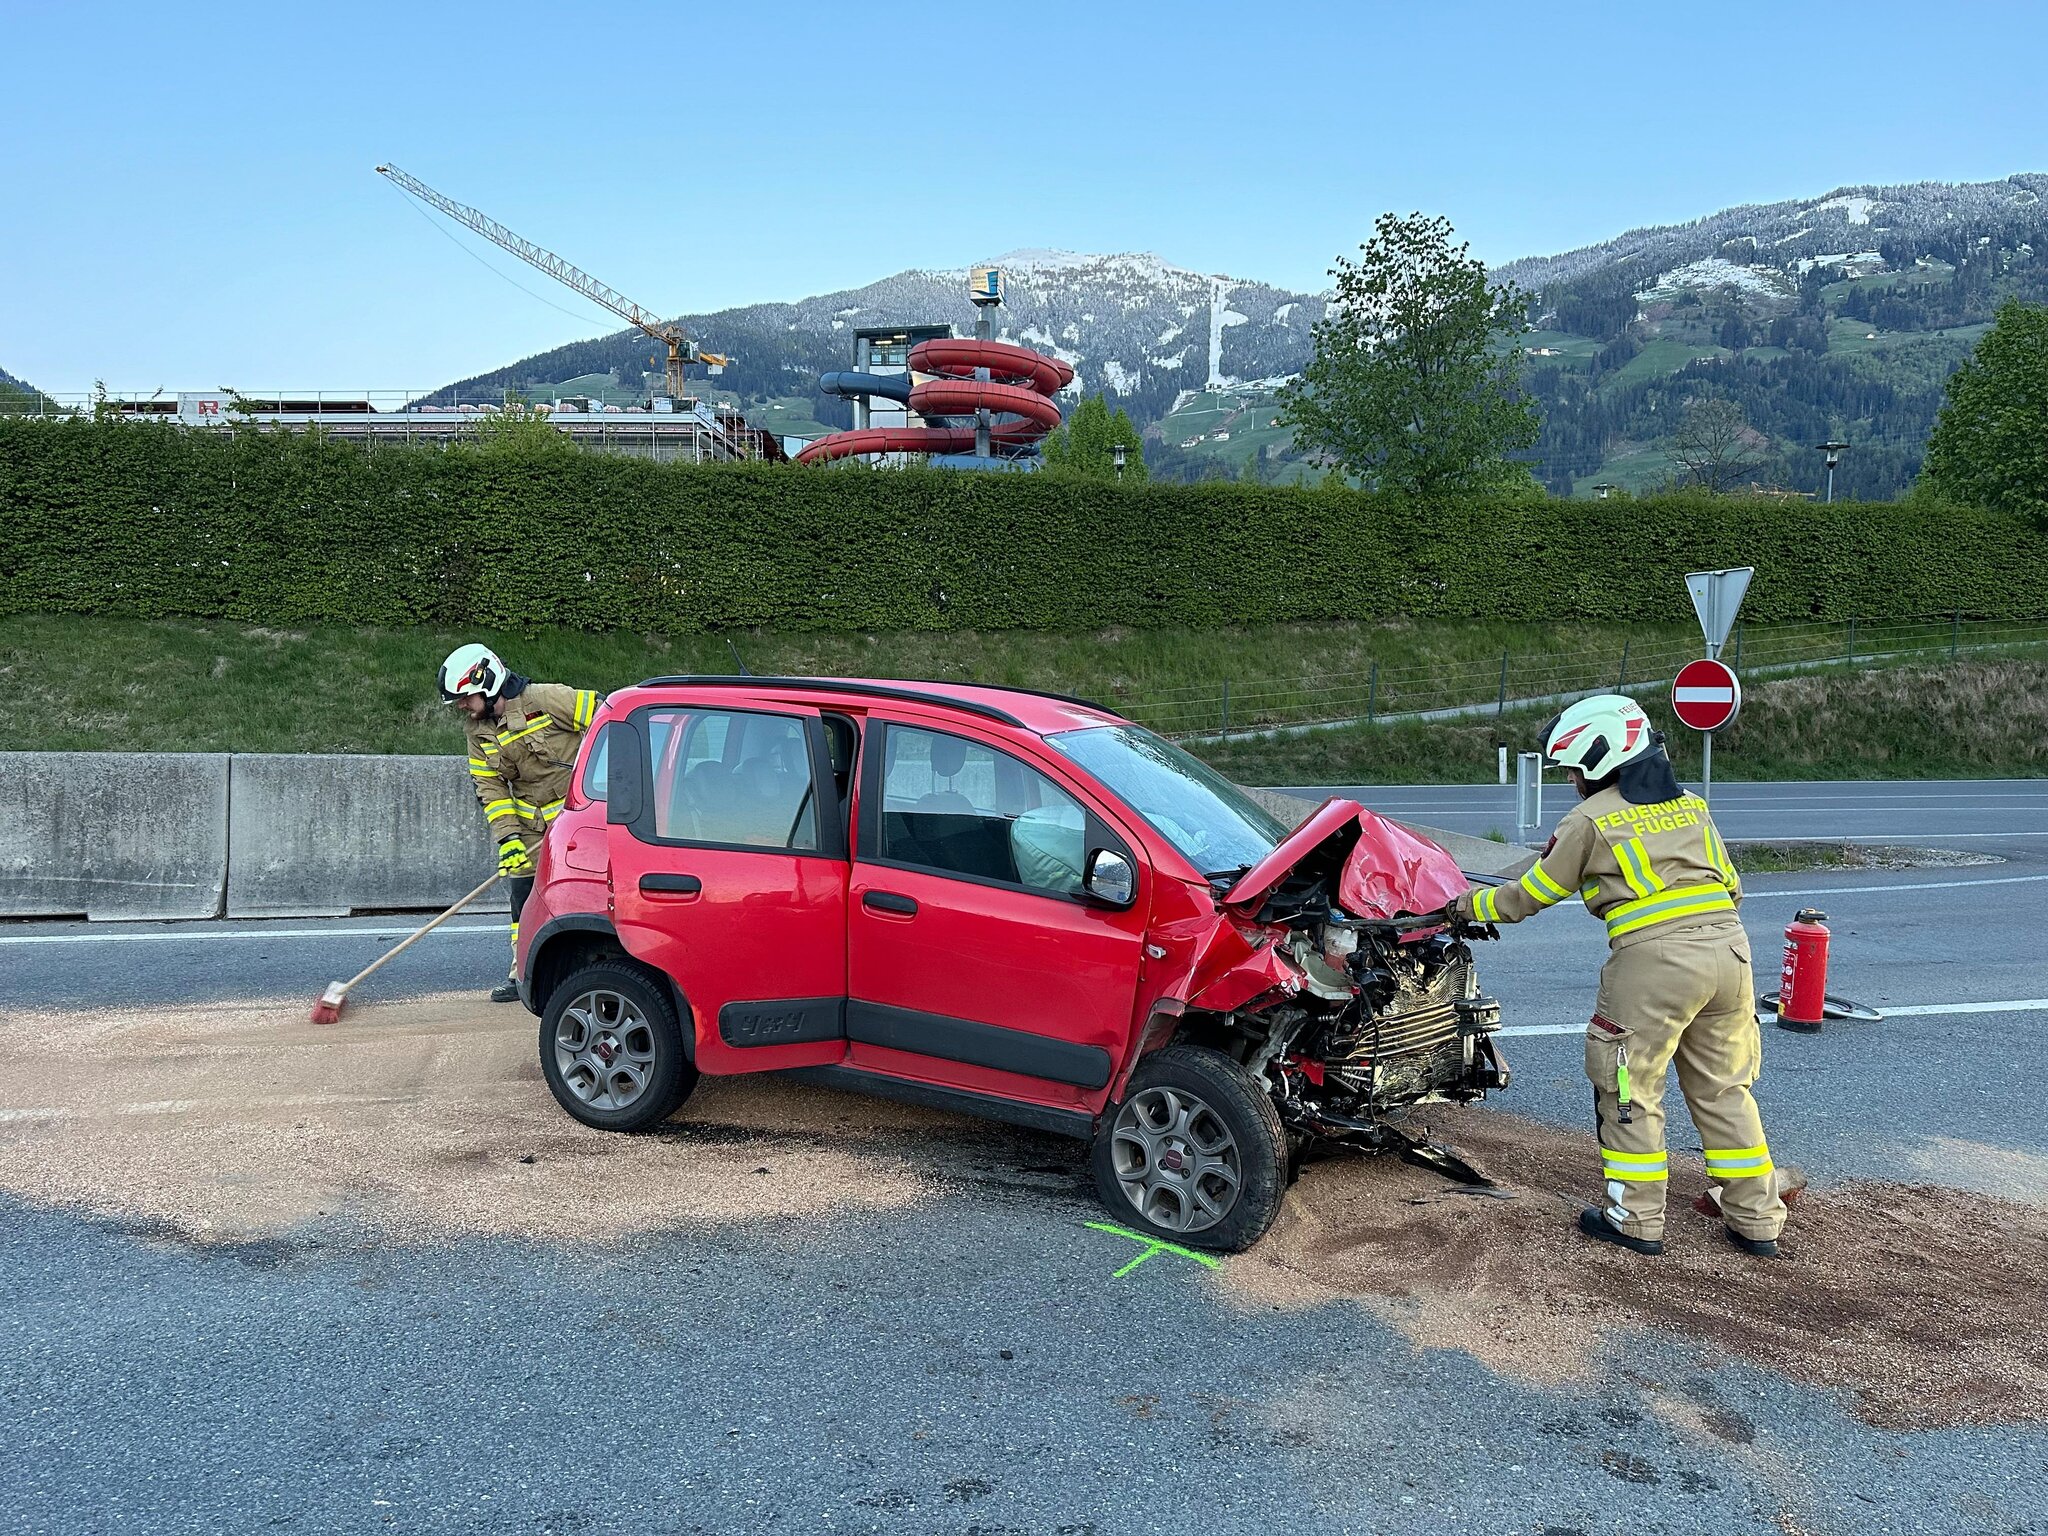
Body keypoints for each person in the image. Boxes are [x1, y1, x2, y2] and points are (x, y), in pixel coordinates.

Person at [1448, 695, 1786, 1258]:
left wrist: (1461, 908)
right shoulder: (1693, 808)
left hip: (1653, 968)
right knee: (1726, 1090)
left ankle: (1635, 1219)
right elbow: (1732, 886)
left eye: (1577, 770)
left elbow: (1528, 896)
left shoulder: (1589, 819)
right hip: (1731, 956)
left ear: (1601, 762)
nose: (1575, 782)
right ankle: (1755, 1220)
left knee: (1629, 1089)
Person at [438, 644, 603, 1003]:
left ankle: (595, 970)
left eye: (465, 698)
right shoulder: (477, 732)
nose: (463, 707)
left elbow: (615, 722)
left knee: (586, 894)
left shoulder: (547, 699)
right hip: (530, 830)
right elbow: (490, 788)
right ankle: (523, 972)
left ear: (487, 681)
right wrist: (509, 838)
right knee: (522, 898)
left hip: (582, 821)